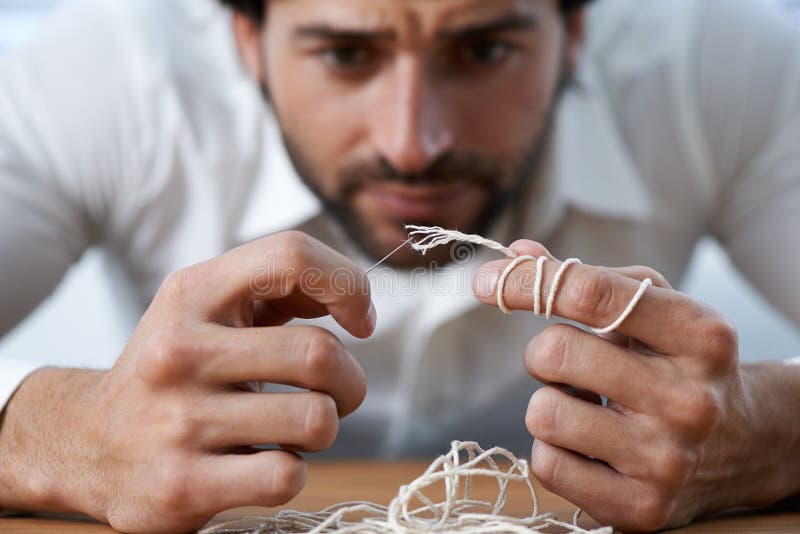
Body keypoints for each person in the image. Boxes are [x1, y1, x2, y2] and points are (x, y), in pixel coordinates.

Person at [0, 0, 798, 531]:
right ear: (247, 39)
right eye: (347, 54)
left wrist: (774, 428)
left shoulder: (724, 63)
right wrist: (63, 432)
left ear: (576, 32)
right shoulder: (102, 76)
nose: (413, 143)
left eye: (484, 50)